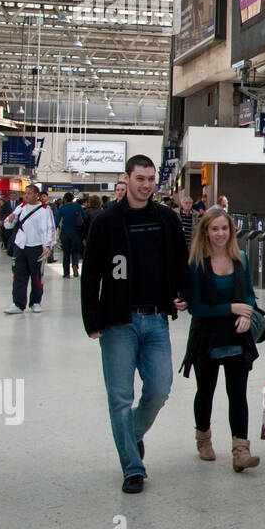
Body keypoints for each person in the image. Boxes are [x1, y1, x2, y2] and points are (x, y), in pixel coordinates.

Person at [80, 155, 190, 494]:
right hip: (117, 322)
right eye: (139, 178)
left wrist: (182, 292)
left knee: (159, 389)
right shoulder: (107, 222)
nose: (145, 185)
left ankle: (132, 436)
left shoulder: (166, 218)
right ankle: (132, 467)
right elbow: (91, 273)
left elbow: (179, 261)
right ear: (126, 179)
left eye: (149, 179)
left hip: (156, 318)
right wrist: (91, 320)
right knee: (120, 397)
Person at [180, 207, 261, 472]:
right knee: (206, 390)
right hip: (207, 336)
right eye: (214, 229)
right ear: (206, 231)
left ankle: (241, 450)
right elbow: (196, 307)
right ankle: (203, 438)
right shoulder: (197, 263)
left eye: (224, 228)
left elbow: (248, 293)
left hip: (237, 334)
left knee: (237, 392)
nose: (220, 233)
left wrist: (246, 313)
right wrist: (231, 309)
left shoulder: (242, 259)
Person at [3, 184, 55, 314]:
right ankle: (18, 303)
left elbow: (51, 228)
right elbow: (8, 225)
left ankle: (35, 302)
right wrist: (9, 220)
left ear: (36, 195)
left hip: (37, 247)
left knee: (37, 276)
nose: (26, 195)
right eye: (25, 193)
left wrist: (48, 245)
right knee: (18, 274)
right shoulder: (20, 207)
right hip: (21, 246)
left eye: (29, 193)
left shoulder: (45, 209)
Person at [56, 192, 88, 279]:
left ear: (65, 199)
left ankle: (66, 273)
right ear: (73, 199)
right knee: (75, 252)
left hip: (65, 233)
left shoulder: (62, 208)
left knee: (66, 253)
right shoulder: (78, 207)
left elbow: (56, 221)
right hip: (76, 233)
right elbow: (85, 218)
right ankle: (75, 265)